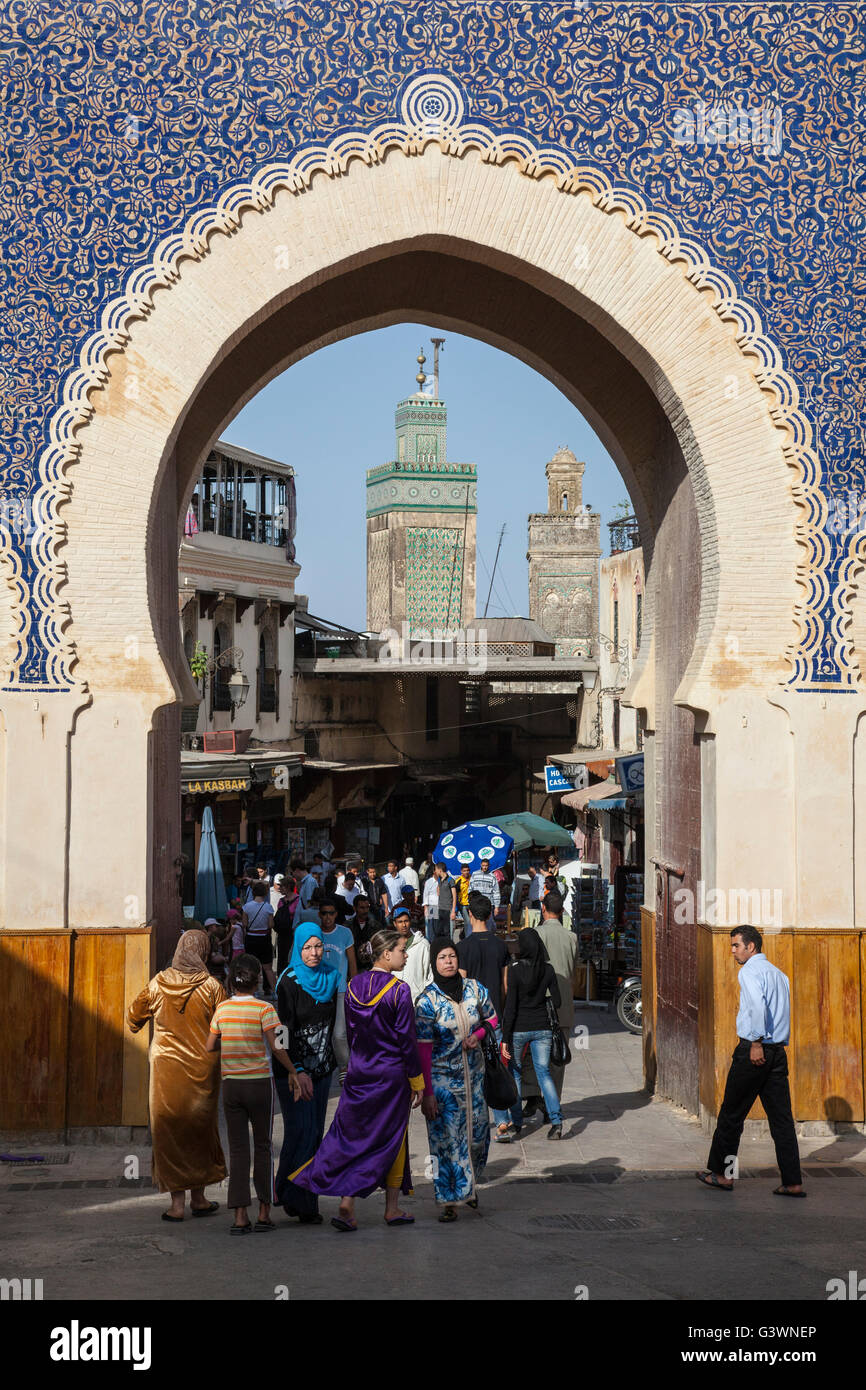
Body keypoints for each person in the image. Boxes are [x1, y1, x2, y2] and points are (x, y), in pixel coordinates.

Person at [290, 928, 424, 1231]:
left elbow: (347, 1034)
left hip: (359, 1071)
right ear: (386, 954)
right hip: (391, 1076)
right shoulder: (399, 990)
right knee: (394, 1137)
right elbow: (407, 1040)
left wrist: (349, 1067)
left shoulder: (352, 986)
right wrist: (417, 1080)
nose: (405, 955)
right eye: (402, 950)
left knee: (353, 1138)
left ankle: (347, 1204)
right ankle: (391, 1208)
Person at [126, 930, 226, 1221]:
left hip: (165, 1071)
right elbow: (227, 1024)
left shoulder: (158, 983)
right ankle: (200, 1198)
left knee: (169, 1132)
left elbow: (133, 1018)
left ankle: (176, 1205)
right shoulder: (212, 986)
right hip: (202, 1070)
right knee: (199, 1130)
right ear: (204, 952)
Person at [698, 926, 805, 1197]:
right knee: (782, 1120)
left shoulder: (749, 972)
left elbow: (757, 1008)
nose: (733, 951)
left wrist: (756, 1043)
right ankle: (792, 1182)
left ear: (751, 947)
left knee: (732, 1114)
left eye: (736, 946)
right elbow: (782, 1014)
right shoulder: (780, 975)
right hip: (777, 1052)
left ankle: (723, 1175)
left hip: (754, 1051)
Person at [208, 954, 302, 1232]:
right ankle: (263, 1212)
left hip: (232, 1086)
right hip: (260, 1085)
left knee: (238, 1151)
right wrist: (293, 1071)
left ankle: (239, 1216)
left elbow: (209, 1046)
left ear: (231, 980)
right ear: (258, 980)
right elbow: (277, 1047)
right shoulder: (265, 1010)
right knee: (263, 1147)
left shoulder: (222, 1010)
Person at [415, 937, 498, 1221]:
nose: (448, 961)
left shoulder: (475, 989)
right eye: (442, 957)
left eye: (452, 956)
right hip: (442, 1085)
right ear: (434, 963)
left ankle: (468, 1187)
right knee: (446, 1144)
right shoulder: (427, 1001)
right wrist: (426, 1091)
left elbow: (493, 1019)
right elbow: (422, 1050)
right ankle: (448, 1201)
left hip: (475, 1079)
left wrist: (478, 1036)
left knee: (478, 1138)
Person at [273, 923, 339, 1223]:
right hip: (292, 1071)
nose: (314, 953)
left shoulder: (331, 976)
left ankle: (305, 1204)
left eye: (318, 946)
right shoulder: (288, 982)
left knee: (314, 1134)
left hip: (322, 1070)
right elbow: (281, 1033)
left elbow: (340, 1027)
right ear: (298, 948)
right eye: (307, 947)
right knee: (298, 1131)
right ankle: (285, 1191)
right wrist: (295, 1070)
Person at [456, 894, 513, 1141]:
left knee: (470, 1072)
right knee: (494, 1068)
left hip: (471, 1020)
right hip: (494, 1018)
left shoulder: (463, 947)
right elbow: (505, 985)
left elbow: (461, 986)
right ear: (490, 915)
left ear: (470, 915)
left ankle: (474, 1123)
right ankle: (502, 1121)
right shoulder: (501, 946)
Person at [502, 928, 564, 1140]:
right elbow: (557, 1002)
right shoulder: (548, 969)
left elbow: (510, 1007)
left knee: (516, 1075)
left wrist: (505, 1037)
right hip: (543, 1028)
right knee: (544, 1074)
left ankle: (517, 1123)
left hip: (519, 1028)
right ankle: (556, 1122)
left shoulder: (515, 969)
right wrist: (541, 1001)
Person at [521, 890, 577, 1123]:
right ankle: (553, 1102)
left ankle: (532, 1094)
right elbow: (573, 969)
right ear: (562, 911)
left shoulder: (535, 934)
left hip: (537, 1003)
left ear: (543, 909)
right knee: (557, 1056)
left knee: (533, 1053)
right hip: (562, 1004)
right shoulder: (572, 937)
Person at [319, 897, 358, 1079]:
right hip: (319, 989)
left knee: (340, 1033)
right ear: (319, 914)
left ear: (336, 915)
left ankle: (345, 1067)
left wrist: (354, 984)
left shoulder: (345, 933)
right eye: (324, 913)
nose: (328, 917)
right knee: (321, 1031)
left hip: (341, 989)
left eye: (331, 913)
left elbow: (352, 961)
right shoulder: (315, 932)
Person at [392, 905, 433, 1002]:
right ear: (394, 924)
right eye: (400, 922)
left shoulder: (423, 944)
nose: (404, 925)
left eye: (406, 921)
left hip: (417, 1000)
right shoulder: (390, 946)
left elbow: (430, 975)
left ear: (410, 922)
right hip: (396, 1001)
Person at [242, 880, 276, 994]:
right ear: (265, 893)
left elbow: (245, 924)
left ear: (253, 893)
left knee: (251, 967)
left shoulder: (246, 907)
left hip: (251, 938)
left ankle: (253, 991)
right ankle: (276, 993)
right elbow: (271, 925)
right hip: (264, 938)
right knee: (268, 968)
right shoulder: (268, 907)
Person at [272, 875, 299, 976]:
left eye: (282, 886)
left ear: (288, 887)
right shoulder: (281, 901)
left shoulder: (298, 900)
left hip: (292, 934)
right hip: (282, 934)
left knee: (290, 956)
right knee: (282, 957)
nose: (280, 888)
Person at [433, 861, 455, 938]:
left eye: (436, 869)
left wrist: (453, 911)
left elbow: (454, 896)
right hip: (440, 908)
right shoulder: (439, 880)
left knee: (447, 932)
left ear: (440, 870)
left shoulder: (450, 880)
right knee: (438, 931)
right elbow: (438, 893)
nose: (435, 871)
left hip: (448, 909)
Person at [454, 862, 473, 939]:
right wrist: (455, 908)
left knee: (472, 922)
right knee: (468, 921)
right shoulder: (458, 881)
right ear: (461, 871)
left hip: (472, 904)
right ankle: (468, 938)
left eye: (467, 870)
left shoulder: (473, 878)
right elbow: (454, 894)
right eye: (464, 871)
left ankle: (463, 935)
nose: (466, 872)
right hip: (463, 905)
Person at [422, 868, 440, 943]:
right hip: (432, 906)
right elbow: (425, 894)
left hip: (442, 906)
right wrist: (425, 907)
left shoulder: (443, 881)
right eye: (438, 870)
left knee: (439, 928)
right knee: (432, 928)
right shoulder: (429, 882)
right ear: (434, 871)